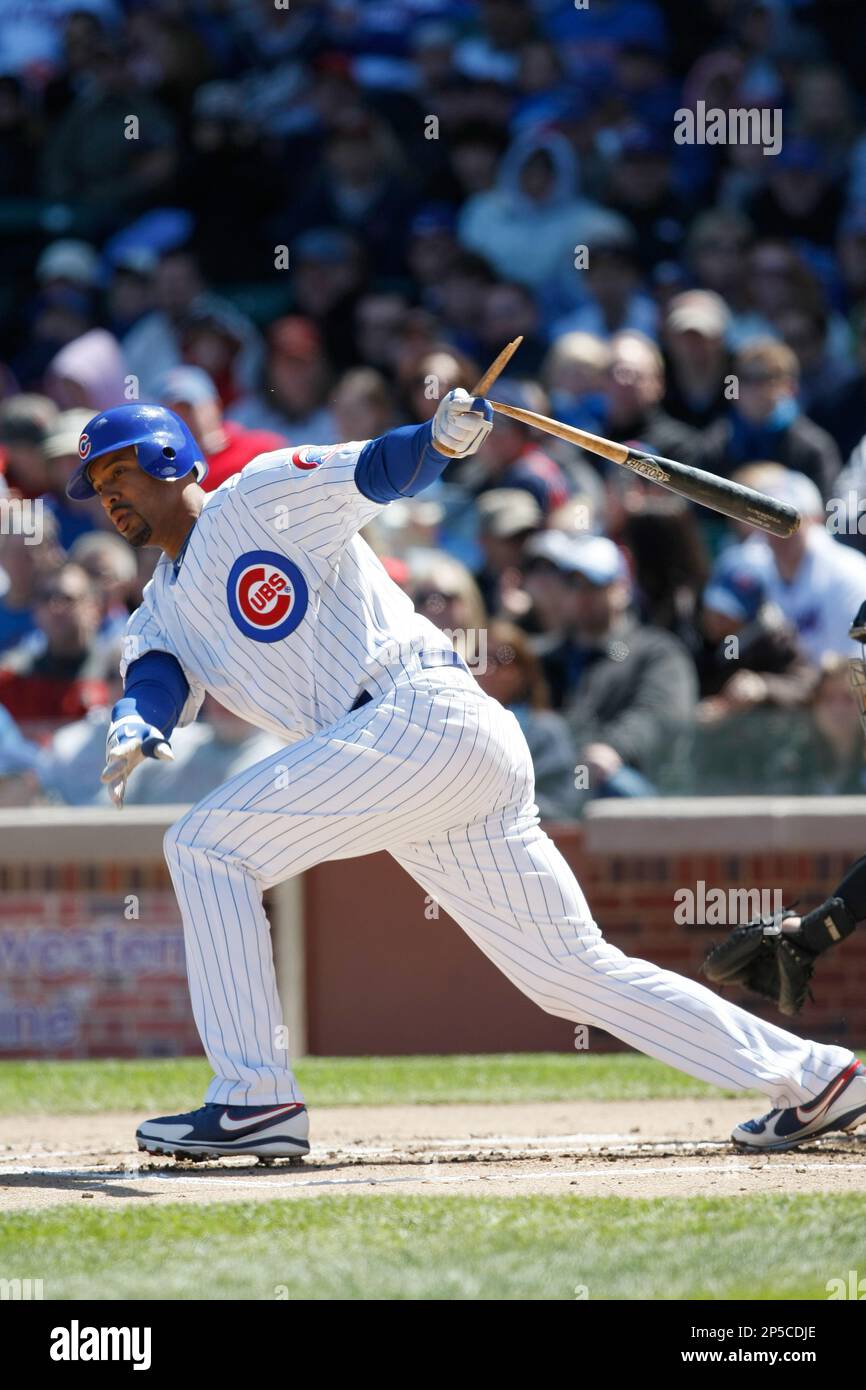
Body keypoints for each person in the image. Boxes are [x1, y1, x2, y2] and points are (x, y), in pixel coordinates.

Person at [63, 396, 866, 1160]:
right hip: (412, 755)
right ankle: (818, 1076)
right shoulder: (155, 610)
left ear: (170, 460)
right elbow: (155, 679)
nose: (109, 498)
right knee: (568, 973)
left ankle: (253, 1099)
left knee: (206, 848)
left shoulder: (257, 495)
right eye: (98, 487)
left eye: (119, 474)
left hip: (418, 713)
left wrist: (439, 439)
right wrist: (138, 722)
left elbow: (379, 468)